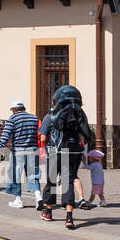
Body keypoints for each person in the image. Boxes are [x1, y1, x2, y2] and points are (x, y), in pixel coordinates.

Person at [38, 85, 93, 229]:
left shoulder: (50, 117)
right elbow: (85, 135)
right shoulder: (80, 114)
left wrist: (46, 147)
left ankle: (48, 212)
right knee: (68, 181)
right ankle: (69, 218)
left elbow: (43, 137)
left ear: (55, 102)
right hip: (74, 152)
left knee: (51, 181)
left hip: (55, 152)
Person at [0, 100, 40, 208]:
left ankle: (18, 200)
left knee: (15, 175)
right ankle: (39, 198)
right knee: (33, 175)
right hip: (33, 150)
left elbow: (6, 135)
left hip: (19, 151)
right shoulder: (34, 118)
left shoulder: (13, 119)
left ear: (14, 110)